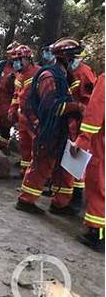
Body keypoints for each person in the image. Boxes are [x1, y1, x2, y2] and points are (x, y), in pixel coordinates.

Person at [16, 38, 86, 214]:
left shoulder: (63, 76)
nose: (77, 61)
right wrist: (76, 107)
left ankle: (60, 204)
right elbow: (52, 106)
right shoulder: (49, 76)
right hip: (50, 129)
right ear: (65, 58)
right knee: (42, 164)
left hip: (63, 130)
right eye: (75, 58)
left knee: (65, 169)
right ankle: (26, 201)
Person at [71, 73, 104, 251]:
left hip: (102, 142)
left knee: (98, 183)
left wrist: (82, 140)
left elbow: (95, 112)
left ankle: (96, 234)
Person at [64, 47, 98, 214]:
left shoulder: (84, 73)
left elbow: (90, 103)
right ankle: (71, 195)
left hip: (83, 121)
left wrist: (83, 137)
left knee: (79, 159)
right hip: (76, 120)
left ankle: (76, 199)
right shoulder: (74, 71)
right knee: (74, 159)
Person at [8, 45, 41, 173]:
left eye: (19, 60)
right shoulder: (18, 75)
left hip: (34, 116)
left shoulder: (39, 73)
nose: (16, 63)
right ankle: (24, 171)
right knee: (24, 143)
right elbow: (16, 95)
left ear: (28, 59)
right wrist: (12, 109)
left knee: (36, 145)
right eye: (15, 60)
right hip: (22, 115)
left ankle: (35, 173)